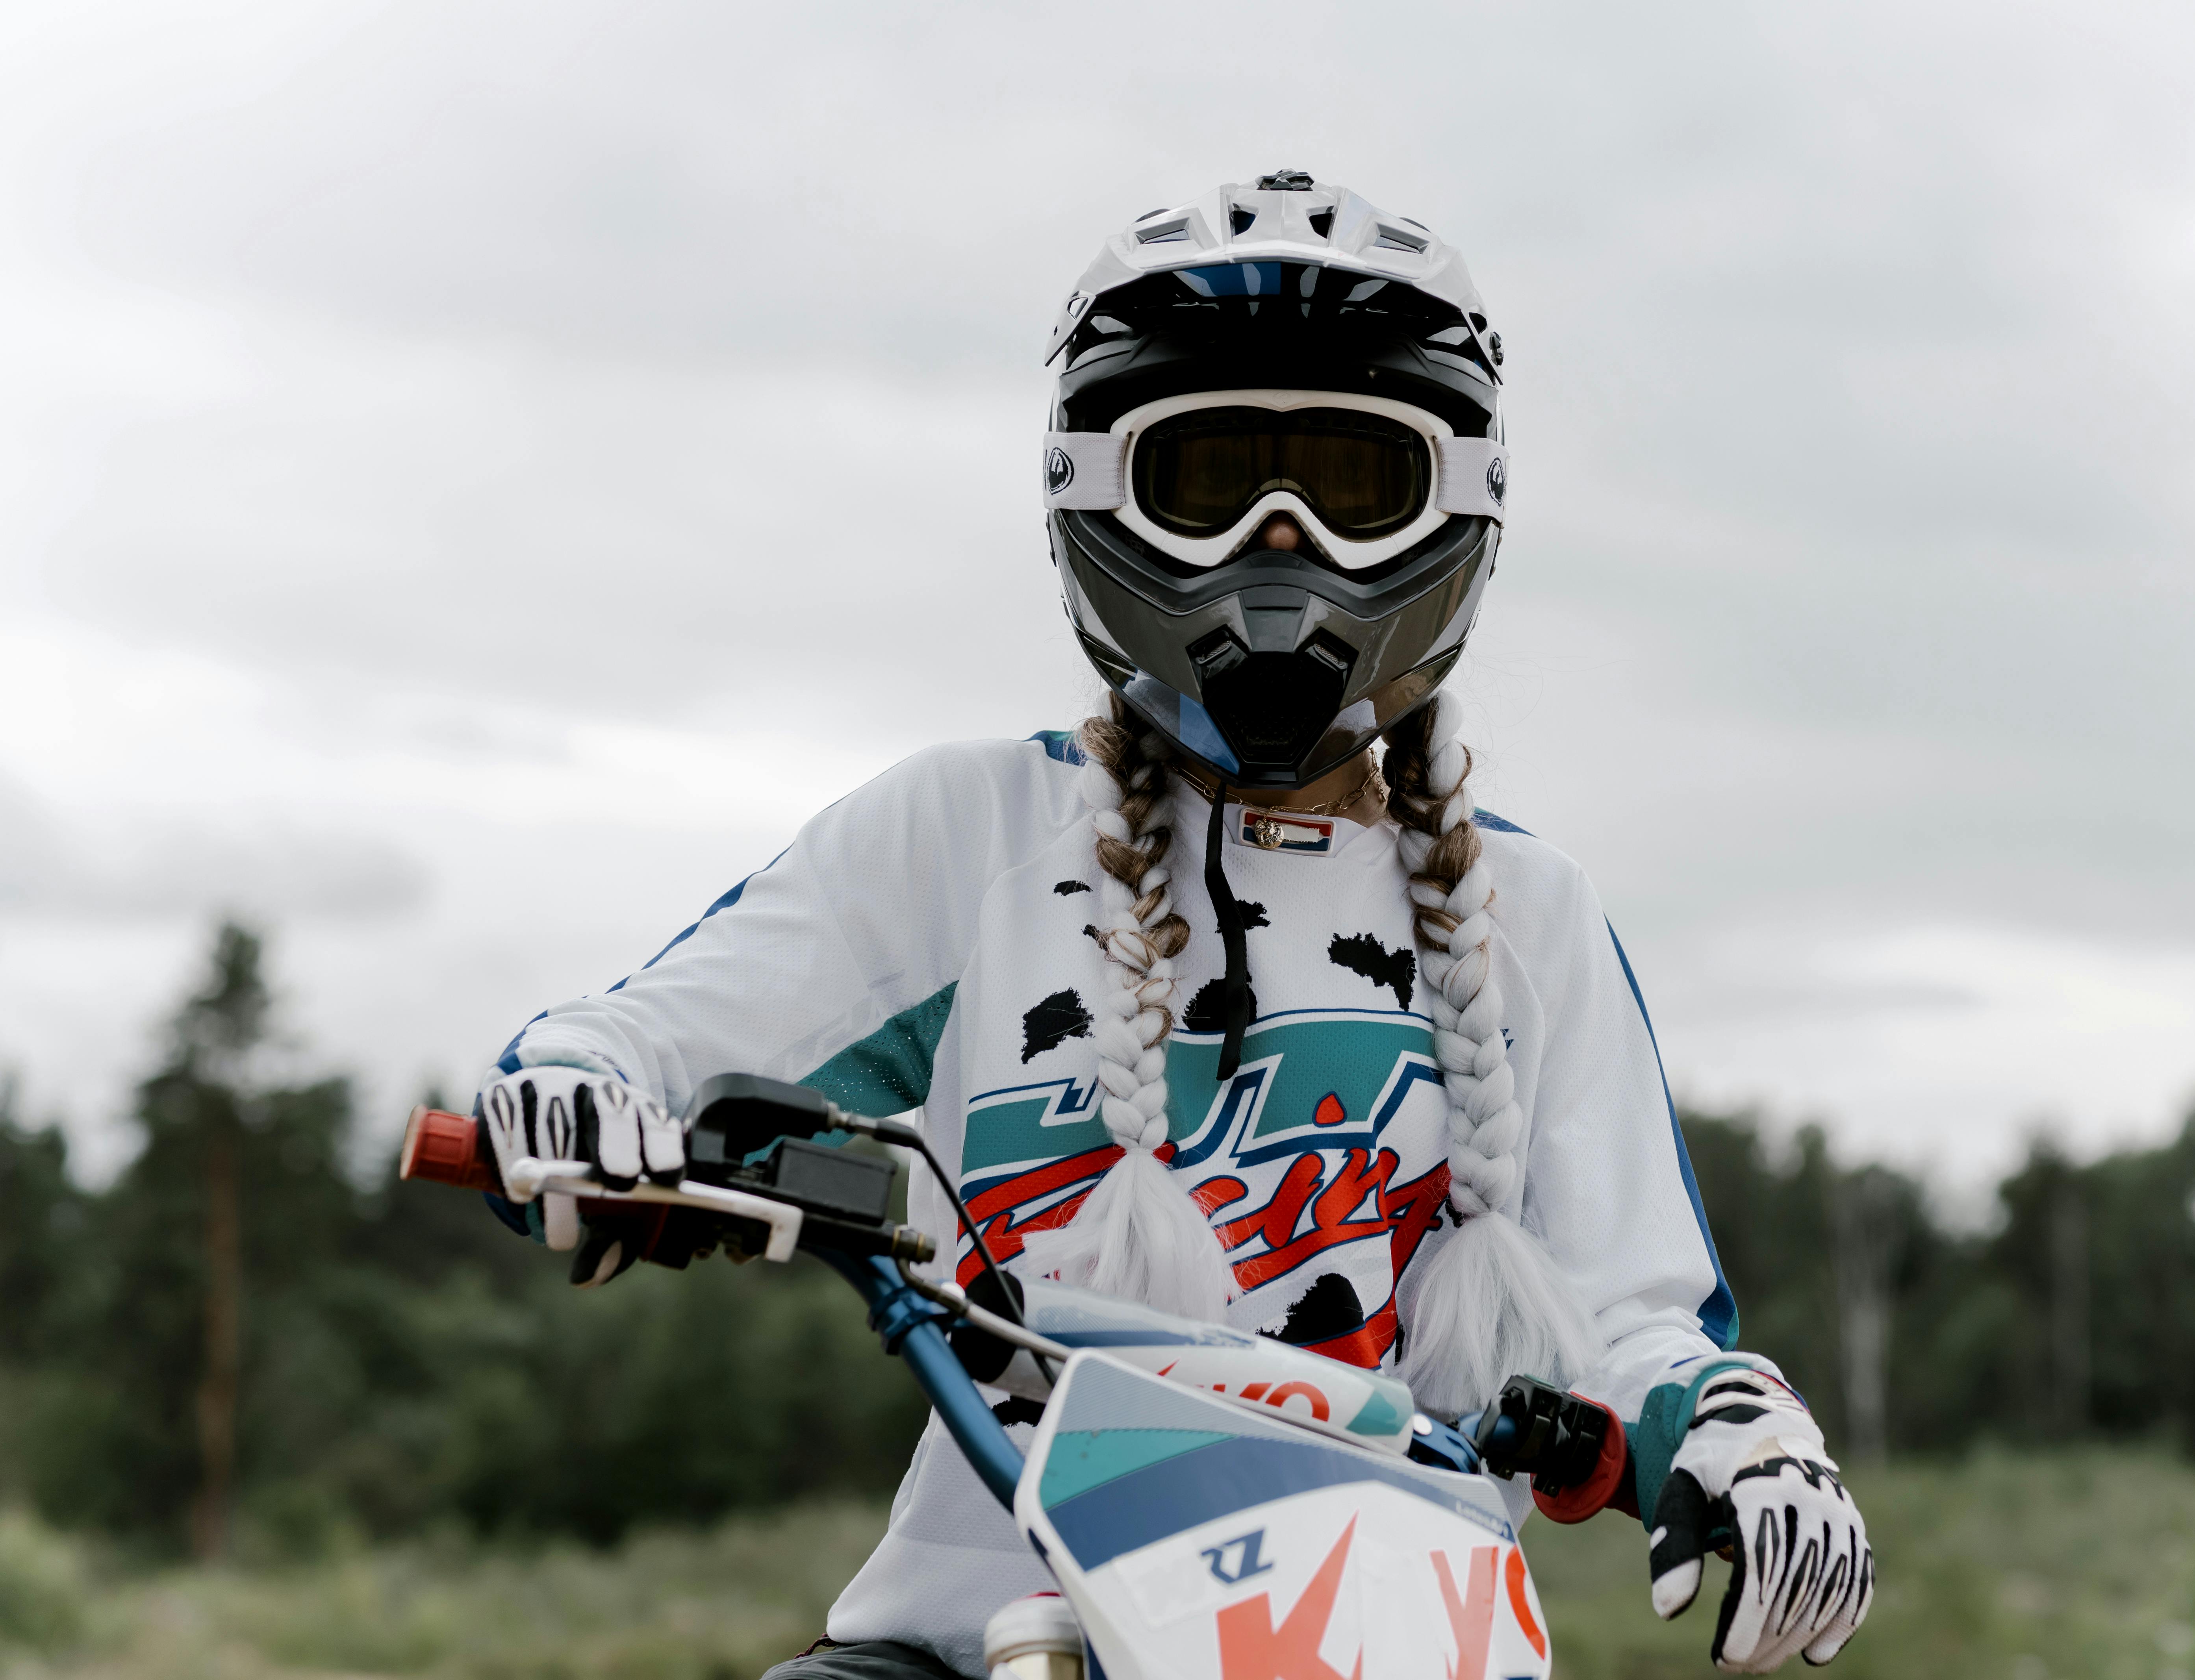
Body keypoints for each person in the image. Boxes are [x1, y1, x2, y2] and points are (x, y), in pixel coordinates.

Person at [473, 172, 1873, 1678]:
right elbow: (645, 1038)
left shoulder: (1526, 915)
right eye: (1212, 485)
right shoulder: (968, 839)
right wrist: (576, 1091)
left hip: (1388, 1643)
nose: (1283, 547)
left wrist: (1745, 1434)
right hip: (986, 1636)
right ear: (1096, 490)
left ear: (1455, 501)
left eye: (1350, 484)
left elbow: (1638, 1311)